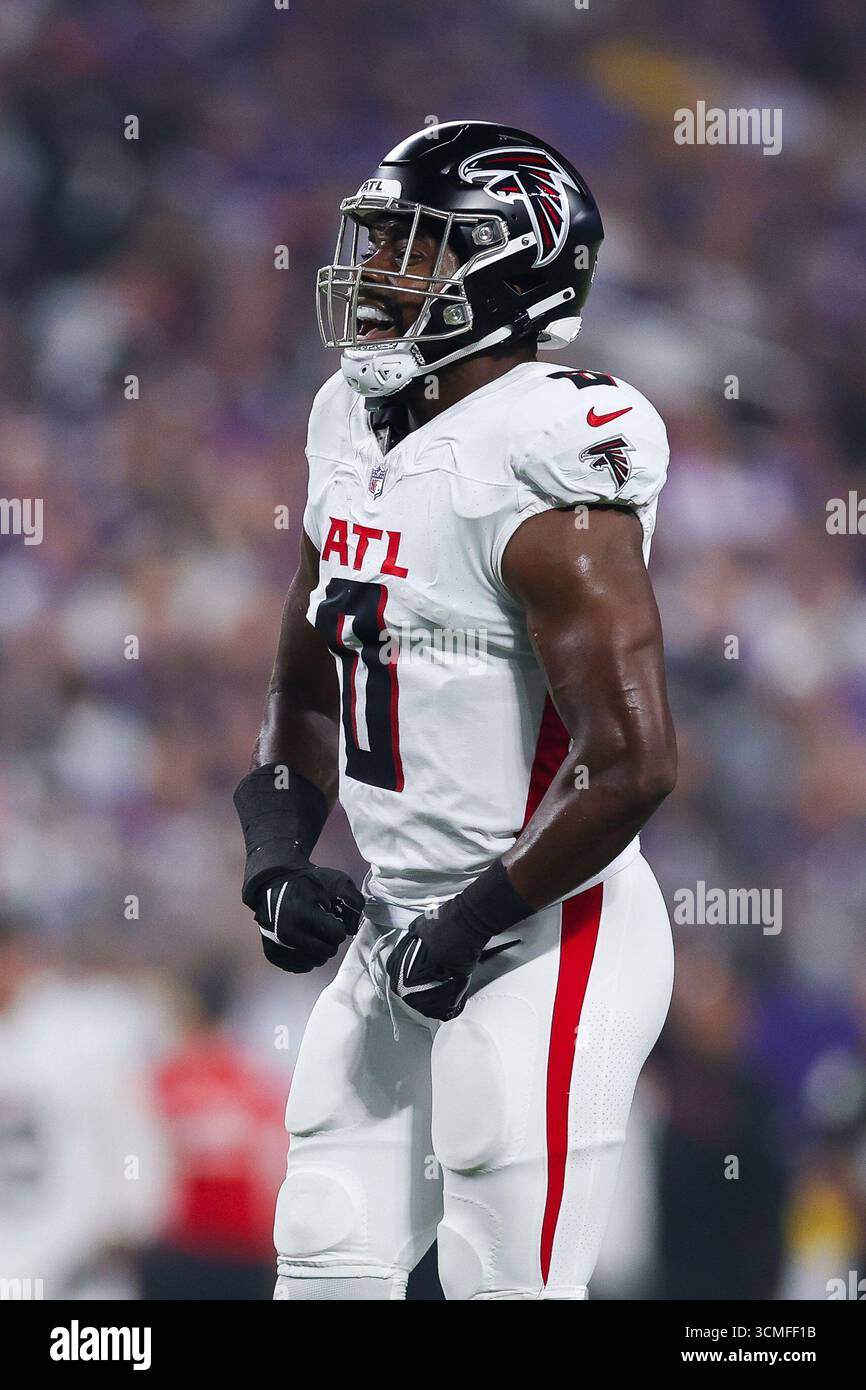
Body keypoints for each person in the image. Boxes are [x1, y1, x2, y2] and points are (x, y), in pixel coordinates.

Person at [233, 120, 677, 1301]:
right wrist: (276, 860)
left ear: (513, 266)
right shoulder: (345, 421)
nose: (376, 271)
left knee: (500, 1280)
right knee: (325, 1245)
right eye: (375, 238)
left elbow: (631, 761)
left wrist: (475, 916)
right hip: (404, 927)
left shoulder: (544, 463)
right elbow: (302, 684)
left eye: (415, 246)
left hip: (548, 931)